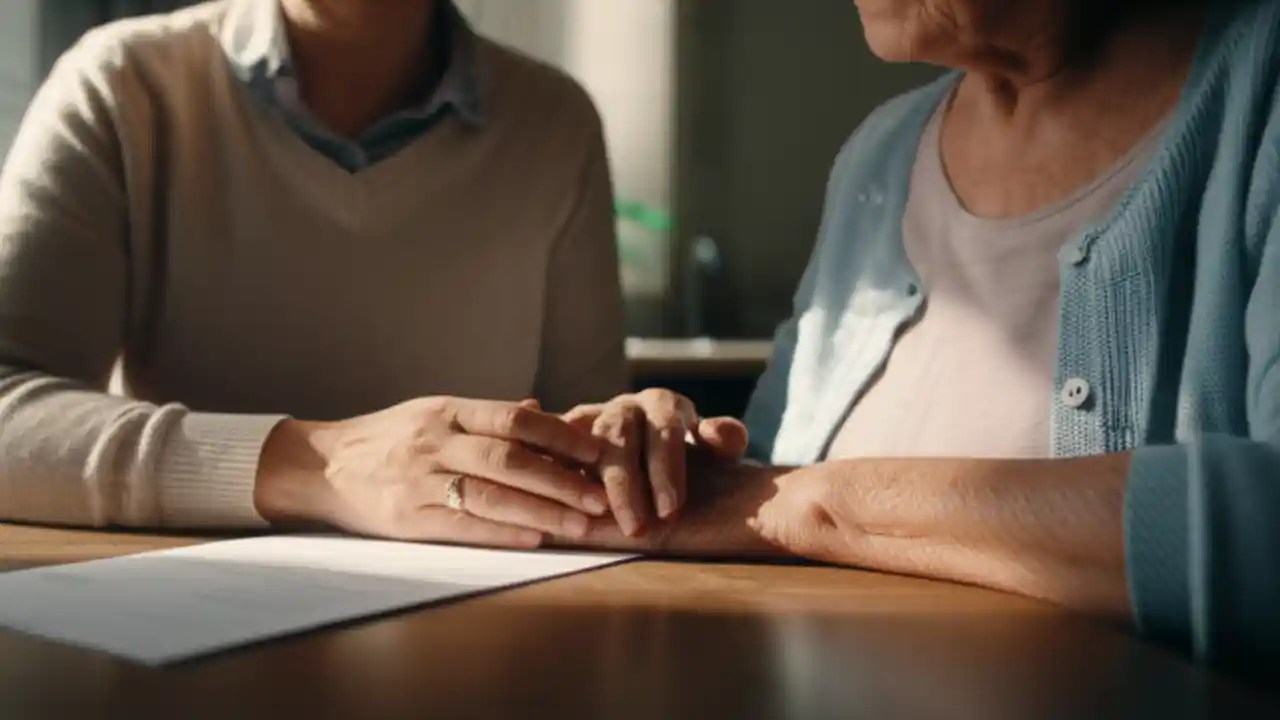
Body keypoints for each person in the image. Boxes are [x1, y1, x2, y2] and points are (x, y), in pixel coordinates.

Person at [564, 0, 1280, 675]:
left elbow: (782, 503)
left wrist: (809, 504)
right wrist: (673, 464)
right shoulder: (882, 151)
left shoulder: (1261, 92)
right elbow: (762, 483)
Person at [0, 0, 692, 545]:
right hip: (179, 631)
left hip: (470, 644)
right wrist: (323, 466)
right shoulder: (125, 87)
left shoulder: (554, 123)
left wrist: (629, 444)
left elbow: (588, 458)